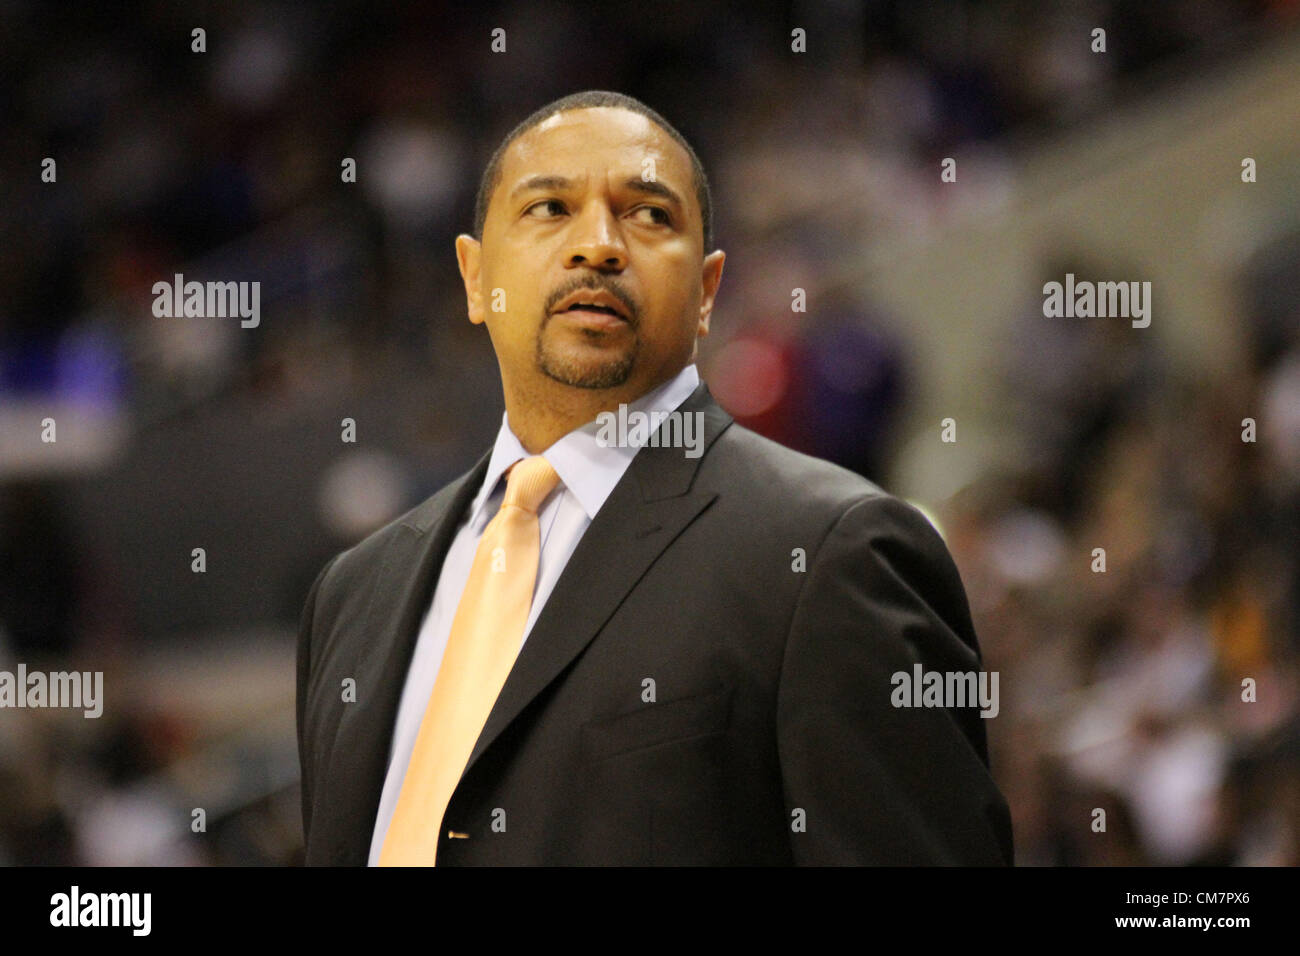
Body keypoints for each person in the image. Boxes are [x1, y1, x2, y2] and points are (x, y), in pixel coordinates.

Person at [296, 89, 1014, 865]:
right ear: (474, 277)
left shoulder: (831, 552)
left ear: (707, 294)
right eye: (548, 209)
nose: (598, 245)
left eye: (649, 215)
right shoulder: (352, 595)